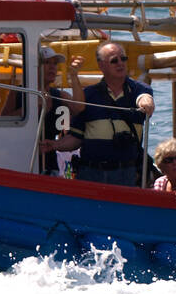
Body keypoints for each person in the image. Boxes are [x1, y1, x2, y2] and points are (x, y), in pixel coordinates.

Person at [41, 41, 154, 186]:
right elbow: (76, 138)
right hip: (91, 172)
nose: (120, 63)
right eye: (114, 60)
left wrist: (146, 102)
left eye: (123, 58)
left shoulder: (138, 89)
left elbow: (145, 97)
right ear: (101, 66)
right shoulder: (89, 95)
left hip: (126, 173)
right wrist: (55, 145)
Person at [37, 47, 84, 175]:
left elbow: (79, 108)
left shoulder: (59, 96)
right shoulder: (19, 93)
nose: (52, 67)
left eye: (55, 63)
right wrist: (29, 109)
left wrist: (74, 76)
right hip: (21, 161)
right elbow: (4, 121)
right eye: (47, 63)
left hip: (50, 165)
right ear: (35, 66)